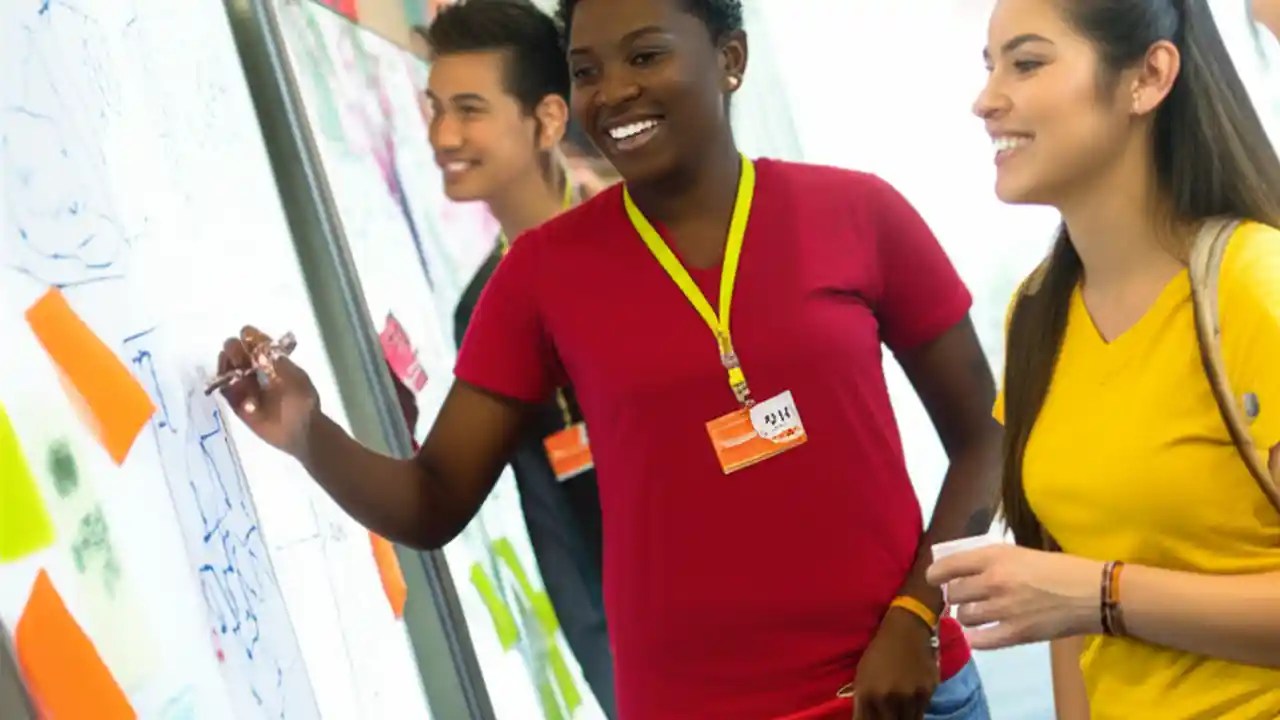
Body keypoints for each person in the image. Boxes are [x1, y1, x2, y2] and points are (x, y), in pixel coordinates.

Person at [218, 0, 1003, 717]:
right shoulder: (538, 277)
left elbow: (987, 437)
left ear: (730, 59)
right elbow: (432, 501)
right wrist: (308, 431)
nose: (614, 91)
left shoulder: (858, 213)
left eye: (645, 56)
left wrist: (917, 615)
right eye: (587, 70)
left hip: (902, 692)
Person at [926, 0, 1280, 718]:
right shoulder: (1037, 313)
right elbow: (1065, 610)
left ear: (1148, 77)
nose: (986, 100)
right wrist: (1081, 599)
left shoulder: (1253, 286)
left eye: (1027, 63)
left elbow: (1074, 595)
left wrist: (1102, 594)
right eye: (990, 67)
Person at [420, 3, 619, 714]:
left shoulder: (646, 239)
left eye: (469, 110)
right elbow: (553, 525)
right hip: (651, 652)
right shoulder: (482, 310)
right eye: (435, 109)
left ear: (547, 119)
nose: (443, 135)